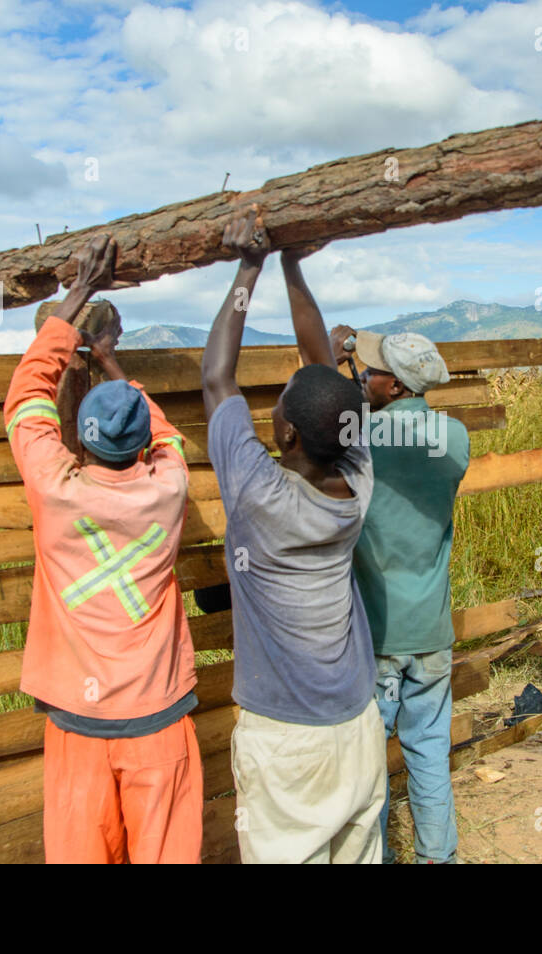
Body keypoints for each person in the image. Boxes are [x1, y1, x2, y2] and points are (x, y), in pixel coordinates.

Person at [4, 234, 202, 864]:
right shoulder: (168, 486)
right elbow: (167, 434)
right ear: (141, 444)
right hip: (159, 721)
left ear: (78, 445)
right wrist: (112, 361)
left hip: (76, 728)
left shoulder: (53, 489)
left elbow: (26, 395)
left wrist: (79, 292)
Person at [202, 211, 384, 864]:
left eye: (278, 403)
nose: (273, 404)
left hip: (288, 740)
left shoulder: (258, 495)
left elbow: (217, 378)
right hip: (357, 722)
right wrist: (289, 261)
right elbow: (320, 369)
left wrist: (248, 264)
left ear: (286, 435)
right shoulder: (357, 477)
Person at [328, 322, 469, 864]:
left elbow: (338, 426)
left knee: (367, 767)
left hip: (378, 635)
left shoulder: (360, 440)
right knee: (430, 752)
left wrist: (336, 360)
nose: (364, 375)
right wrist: (357, 370)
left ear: (393, 386)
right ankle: (439, 856)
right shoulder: (454, 437)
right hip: (432, 630)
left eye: (373, 371)